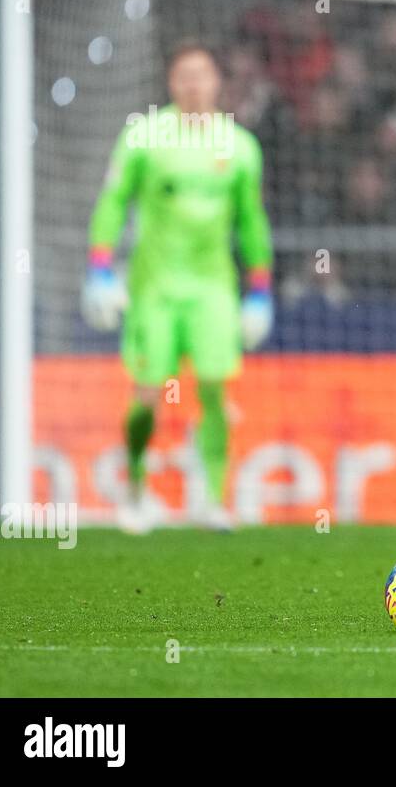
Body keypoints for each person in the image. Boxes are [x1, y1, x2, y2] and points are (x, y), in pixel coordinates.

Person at [83, 44, 274, 533]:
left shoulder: (239, 147)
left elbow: (252, 222)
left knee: (215, 392)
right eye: (184, 75)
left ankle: (212, 501)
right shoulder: (144, 137)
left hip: (213, 289)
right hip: (155, 289)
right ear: (172, 81)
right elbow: (113, 200)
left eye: (202, 75)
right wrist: (101, 267)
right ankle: (136, 492)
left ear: (216, 82)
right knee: (147, 392)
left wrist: (259, 289)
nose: (193, 84)